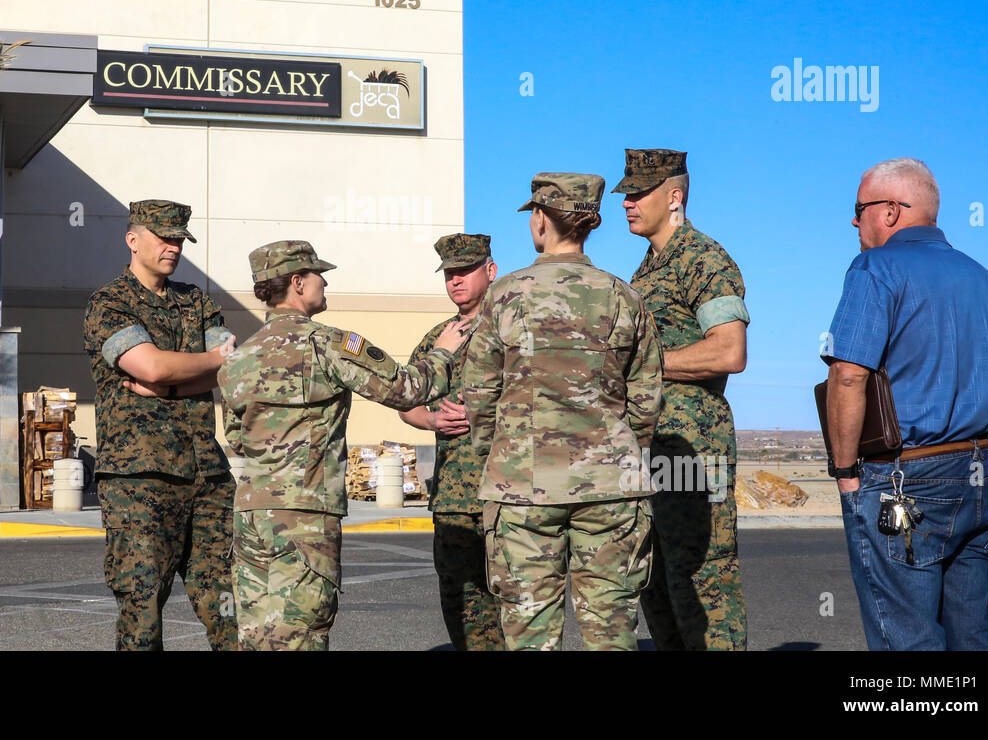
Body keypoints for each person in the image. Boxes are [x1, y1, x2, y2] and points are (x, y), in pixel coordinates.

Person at [217, 240, 470, 650]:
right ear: (298, 283)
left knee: (257, 638)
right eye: (320, 275)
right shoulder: (328, 345)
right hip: (304, 519)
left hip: (250, 517)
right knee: (300, 635)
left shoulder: (240, 358)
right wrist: (442, 351)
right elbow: (407, 390)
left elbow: (238, 439)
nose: (325, 283)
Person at [824, 157, 988, 650]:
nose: (854, 220)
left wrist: (845, 471)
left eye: (859, 208)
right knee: (973, 630)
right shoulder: (985, 279)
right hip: (980, 476)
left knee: (907, 638)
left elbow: (848, 375)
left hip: (904, 478)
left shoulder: (875, 268)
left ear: (890, 211)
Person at [462, 173, 663, 650]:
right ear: (588, 225)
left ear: (539, 220)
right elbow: (647, 396)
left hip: (523, 486)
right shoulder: (623, 296)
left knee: (529, 629)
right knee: (612, 629)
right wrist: (622, 451)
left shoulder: (505, 295)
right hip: (610, 488)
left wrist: (499, 455)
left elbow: (479, 390)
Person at [83, 199, 238, 651]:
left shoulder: (198, 302)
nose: (173, 247)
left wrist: (173, 385)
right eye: (164, 238)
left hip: (207, 476)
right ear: (133, 240)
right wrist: (204, 366)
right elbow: (150, 366)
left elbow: (230, 372)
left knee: (228, 600)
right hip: (139, 478)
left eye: (179, 240)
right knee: (142, 604)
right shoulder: (109, 303)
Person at [615, 148, 750, 651]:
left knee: (703, 581)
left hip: (695, 448)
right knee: (656, 580)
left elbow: (730, 351)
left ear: (674, 197)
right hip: (650, 447)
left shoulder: (703, 258)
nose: (627, 203)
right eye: (625, 194)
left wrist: (642, 365)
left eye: (638, 193)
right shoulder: (647, 268)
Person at [398, 233, 504, 651]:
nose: (455, 281)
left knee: (518, 603)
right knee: (461, 604)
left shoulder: (513, 329)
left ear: (490, 272)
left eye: (464, 272)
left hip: (507, 490)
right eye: (449, 275)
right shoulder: (438, 338)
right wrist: (431, 419)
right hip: (454, 497)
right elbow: (405, 400)